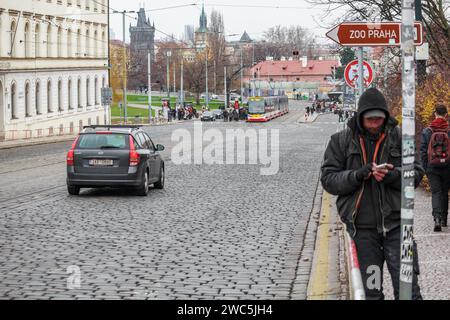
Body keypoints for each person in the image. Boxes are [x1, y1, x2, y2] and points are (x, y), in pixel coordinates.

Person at [321, 88, 424, 300]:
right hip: (364, 233)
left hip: (399, 228)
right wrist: (356, 176)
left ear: (386, 117)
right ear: (360, 118)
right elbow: (329, 179)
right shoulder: (341, 141)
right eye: (370, 120)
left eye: (379, 119)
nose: (375, 124)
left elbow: (417, 173)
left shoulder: (400, 138)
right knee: (372, 293)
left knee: (409, 292)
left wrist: (393, 176)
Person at [420, 105, 450, 231]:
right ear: (446, 115)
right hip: (448, 166)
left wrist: (425, 167)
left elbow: (422, 151)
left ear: (434, 114)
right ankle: (444, 219)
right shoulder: (449, 130)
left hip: (432, 167)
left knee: (436, 192)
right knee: (444, 192)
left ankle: (436, 218)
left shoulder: (427, 131)